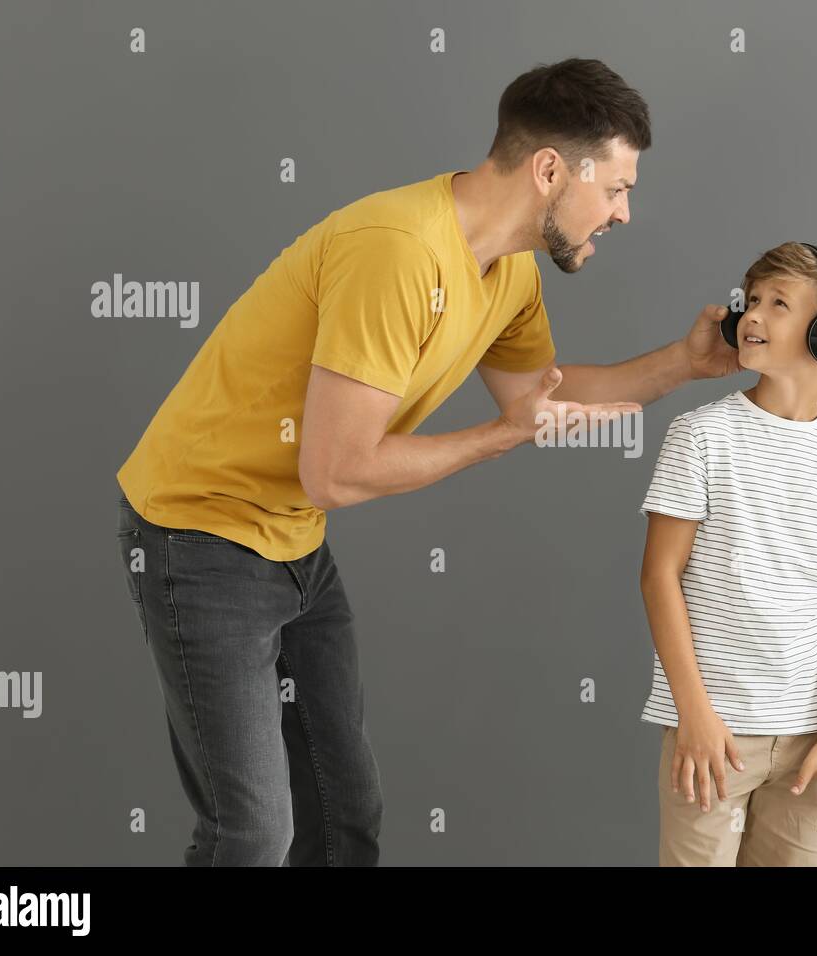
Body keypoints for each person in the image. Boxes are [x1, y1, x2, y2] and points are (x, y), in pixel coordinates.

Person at [113, 57, 743, 866]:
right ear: (552, 170)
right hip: (199, 534)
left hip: (292, 540)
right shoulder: (399, 253)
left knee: (343, 817)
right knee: (253, 832)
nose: (624, 212)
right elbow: (336, 472)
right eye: (617, 188)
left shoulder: (507, 267)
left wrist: (685, 365)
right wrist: (498, 438)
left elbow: (541, 395)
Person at [637, 241, 817, 866]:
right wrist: (692, 713)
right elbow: (659, 576)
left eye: (779, 304)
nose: (752, 316)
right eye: (751, 301)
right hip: (711, 731)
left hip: (808, 741)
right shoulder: (700, 436)